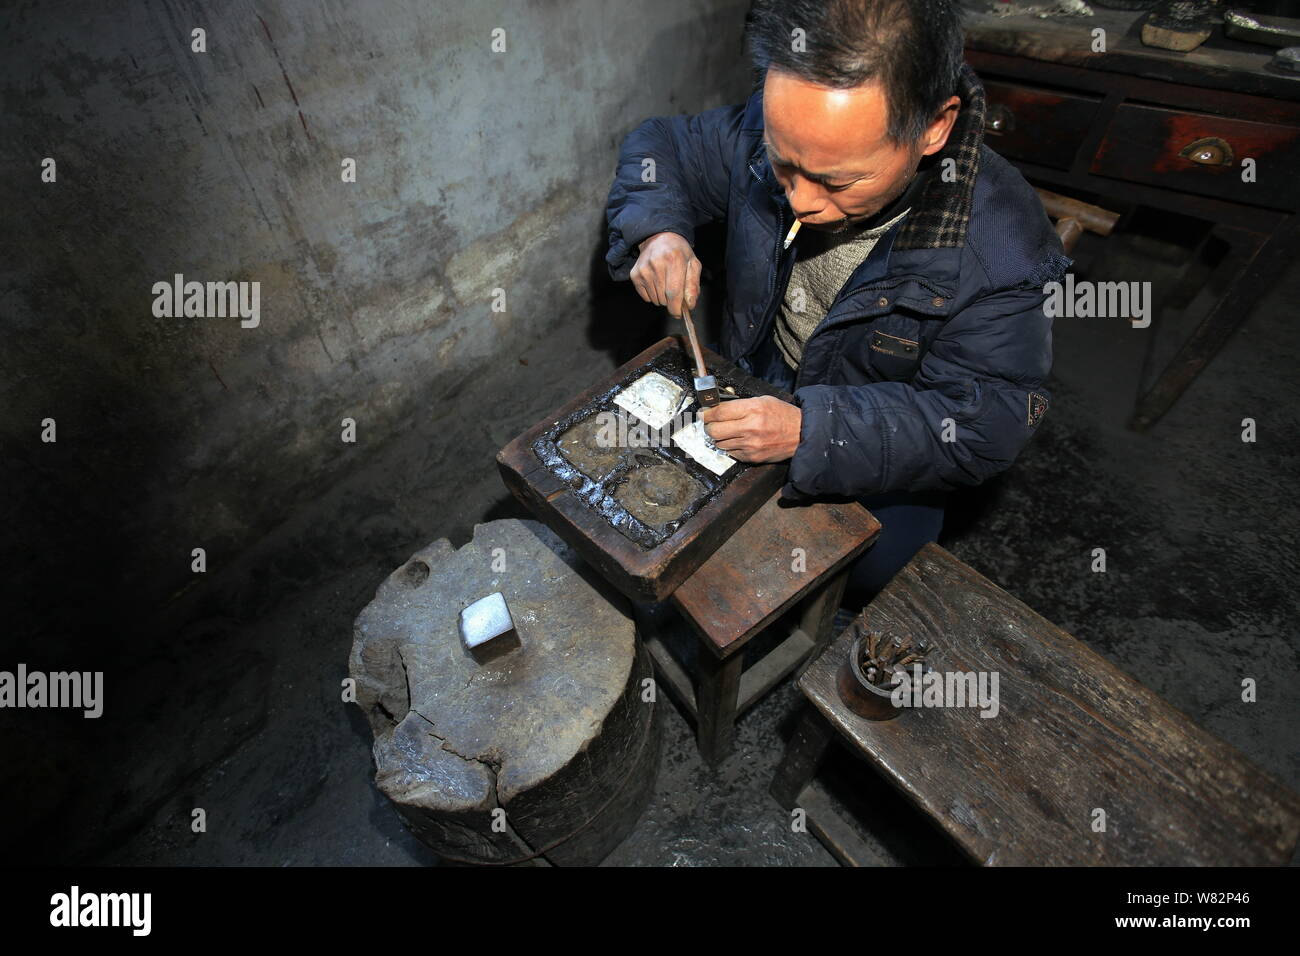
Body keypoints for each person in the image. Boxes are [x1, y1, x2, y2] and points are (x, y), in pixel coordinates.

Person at [605, 0, 1069, 609]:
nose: (799, 202)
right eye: (783, 162)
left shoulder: (1001, 248)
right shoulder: (789, 128)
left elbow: (987, 422)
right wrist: (659, 230)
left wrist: (811, 431)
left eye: (838, 181)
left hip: (869, 428)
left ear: (933, 126)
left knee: (871, 564)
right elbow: (660, 146)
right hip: (759, 372)